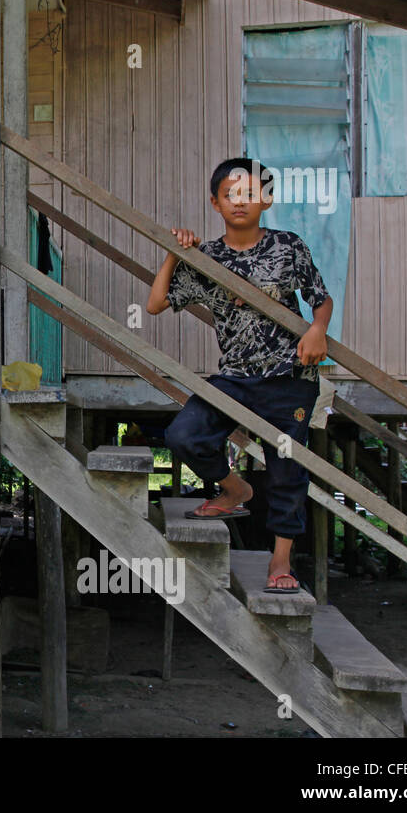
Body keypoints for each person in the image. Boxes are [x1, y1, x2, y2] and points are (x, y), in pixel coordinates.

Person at [146, 158, 333, 593]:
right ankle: (235, 490)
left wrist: (318, 330)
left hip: (290, 376)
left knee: (287, 468)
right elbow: (155, 305)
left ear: (265, 199)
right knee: (184, 435)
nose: (240, 201)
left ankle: (280, 560)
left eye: (250, 192)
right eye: (231, 193)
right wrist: (175, 256)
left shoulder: (289, 246)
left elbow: (319, 298)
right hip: (234, 377)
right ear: (215, 203)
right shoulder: (207, 256)